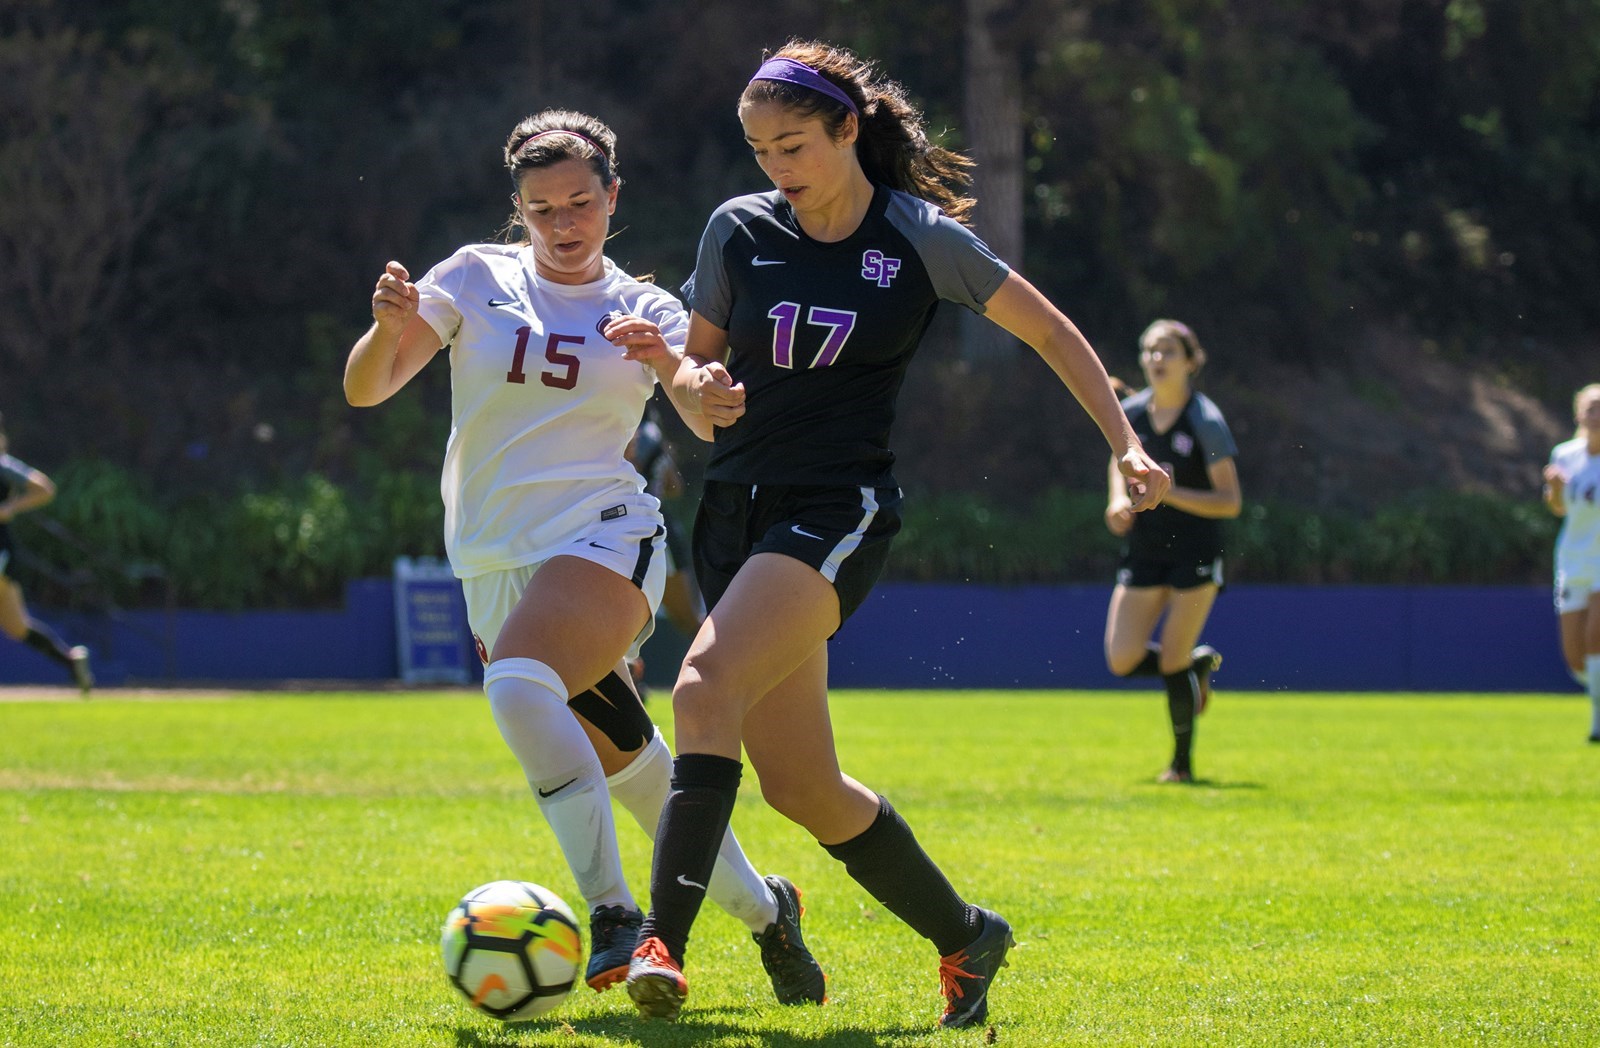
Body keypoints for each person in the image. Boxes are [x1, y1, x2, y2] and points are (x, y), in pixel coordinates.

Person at [623, 40, 1170, 1029]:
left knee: (700, 685)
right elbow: (697, 392)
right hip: (731, 512)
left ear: (847, 130)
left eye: (792, 144)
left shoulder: (918, 237)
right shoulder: (736, 231)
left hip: (835, 512)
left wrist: (1123, 443)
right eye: (758, 150)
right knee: (801, 786)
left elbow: (1050, 331)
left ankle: (661, 941)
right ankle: (966, 935)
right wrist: (693, 383)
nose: (775, 168)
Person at [341, 109, 824, 1002]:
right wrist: (385, 326)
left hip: (604, 535)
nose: (563, 225)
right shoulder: (473, 276)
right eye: (541, 209)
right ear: (517, 211)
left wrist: (697, 382)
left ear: (613, 197)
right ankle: (767, 912)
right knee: (639, 774)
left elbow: (694, 399)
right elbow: (369, 388)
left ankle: (613, 914)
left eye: (580, 203)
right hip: (492, 560)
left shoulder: (643, 305)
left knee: (518, 686)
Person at [1102, 320, 1241, 784]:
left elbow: (1230, 502)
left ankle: (1181, 767)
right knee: (1121, 659)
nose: (1156, 359)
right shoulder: (1134, 413)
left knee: (1170, 661)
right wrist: (1118, 500)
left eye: (1167, 351)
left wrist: (1170, 491)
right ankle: (1196, 666)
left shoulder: (1205, 420)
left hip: (1195, 552)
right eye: (1149, 351)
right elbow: (1116, 460)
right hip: (1145, 548)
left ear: (1191, 361)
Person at [0, 412, 94, 695]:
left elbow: (43, 488)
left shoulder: (2, 465)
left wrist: (10, 508)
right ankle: (70, 660)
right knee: (16, 627)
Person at [622, 406, 706, 692]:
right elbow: (675, 486)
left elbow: (629, 468)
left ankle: (719, 672)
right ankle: (629, 680)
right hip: (656, 528)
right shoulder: (653, 434)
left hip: (641, 530)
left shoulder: (636, 432)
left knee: (686, 619)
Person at [1542, 383, 1600, 743]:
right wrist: (1557, 490)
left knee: (1597, 638)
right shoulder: (1565, 454)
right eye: (1591, 408)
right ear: (1579, 414)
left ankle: (1597, 726)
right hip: (1573, 560)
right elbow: (1557, 508)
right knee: (1577, 660)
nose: (1597, 415)